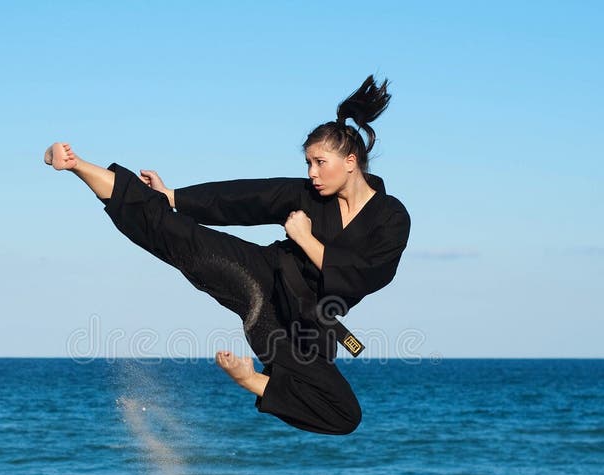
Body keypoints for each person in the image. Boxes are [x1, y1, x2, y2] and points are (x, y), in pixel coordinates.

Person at [44, 75, 410, 435]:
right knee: (175, 235)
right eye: (308, 164)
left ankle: (253, 381)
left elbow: (368, 276)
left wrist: (305, 239)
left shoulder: (391, 218)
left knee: (344, 414)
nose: (312, 173)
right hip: (262, 278)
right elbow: (245, 198)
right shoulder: (309, 196)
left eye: (319, 163)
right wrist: (173, 198)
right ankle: (77, 165)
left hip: (302, 327)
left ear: (350, 161)